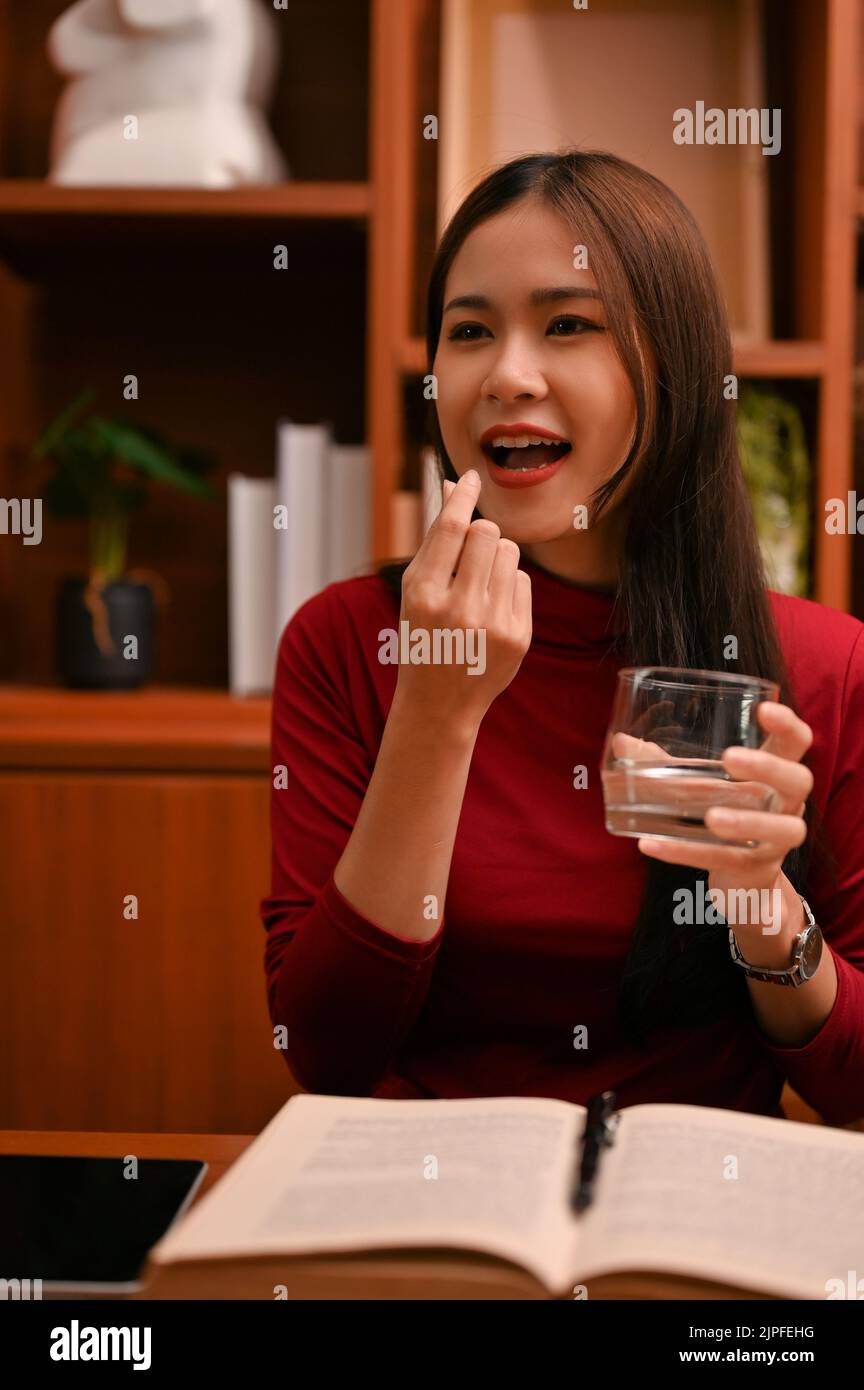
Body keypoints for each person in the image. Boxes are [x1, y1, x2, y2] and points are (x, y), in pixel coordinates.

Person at [260, 150, 864, 1125]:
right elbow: (325, 1051)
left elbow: (856, 1090)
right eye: (469, 331)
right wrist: (435, 712)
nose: (506, 374)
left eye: (569, 323)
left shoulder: (826, 667)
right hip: (426, 1204)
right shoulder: (344, 642)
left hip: (686, 1214)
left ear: (671, 365)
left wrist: (762, 904)